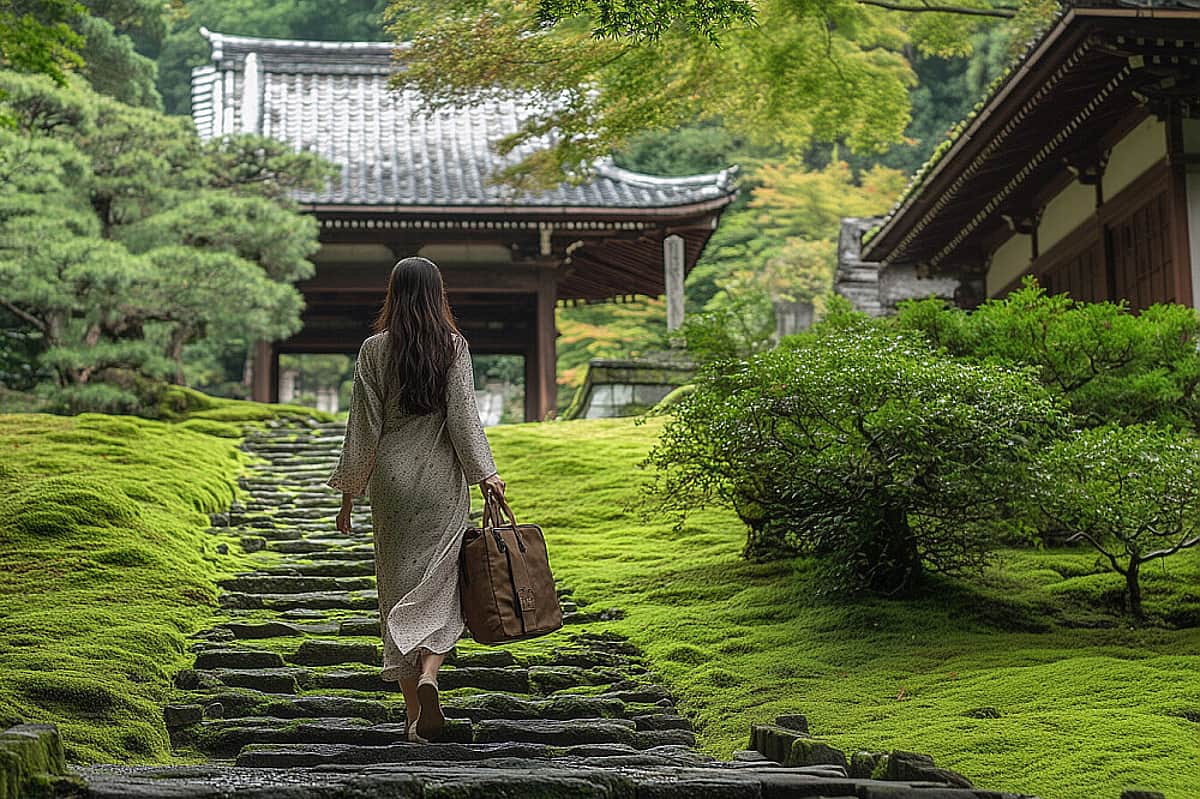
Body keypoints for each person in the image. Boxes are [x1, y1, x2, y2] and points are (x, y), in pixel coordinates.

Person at [326, 256, 505, 743]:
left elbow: (362, 427)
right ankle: (430, 673)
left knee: (398, 591)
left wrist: (348, 495)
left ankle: (413, 720)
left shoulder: (373, 350)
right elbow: (465, 420)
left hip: (391, 484)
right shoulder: (452, 347)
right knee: (441, 585)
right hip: (440, 481)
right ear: (436, 294)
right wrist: (486, 475)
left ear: (394, 294)